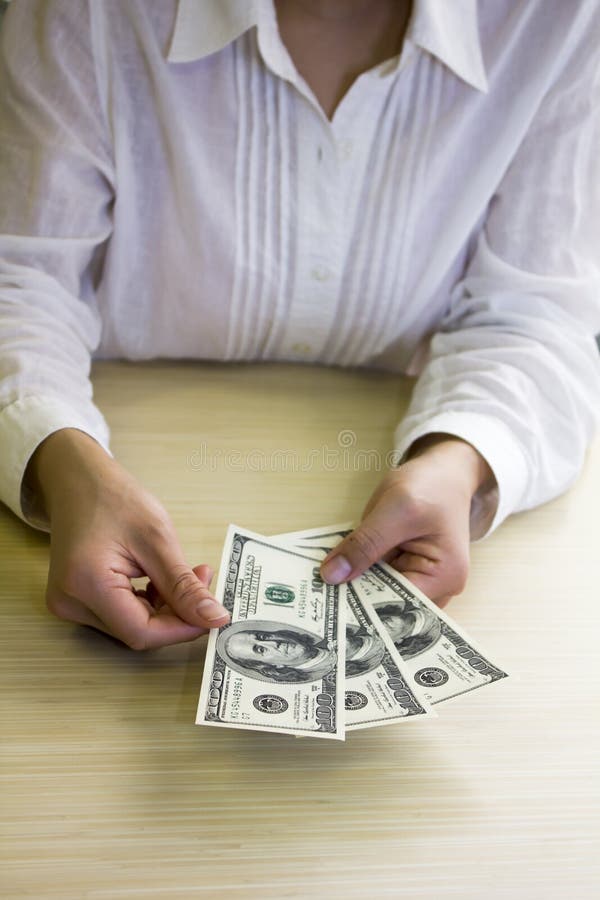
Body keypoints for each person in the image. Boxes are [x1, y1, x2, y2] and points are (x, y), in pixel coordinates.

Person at [0, 0, 598, 651]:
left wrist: (462, 462)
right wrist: (60, 465)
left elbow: (539, 311)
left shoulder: (562, 20)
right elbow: (21, 277)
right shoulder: (82, 13)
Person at [217, 622, 337, 683]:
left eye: (263, 637)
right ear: (271, 666)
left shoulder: (332, 637)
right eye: (261, 650)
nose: (274, 643)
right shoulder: (318, 674)